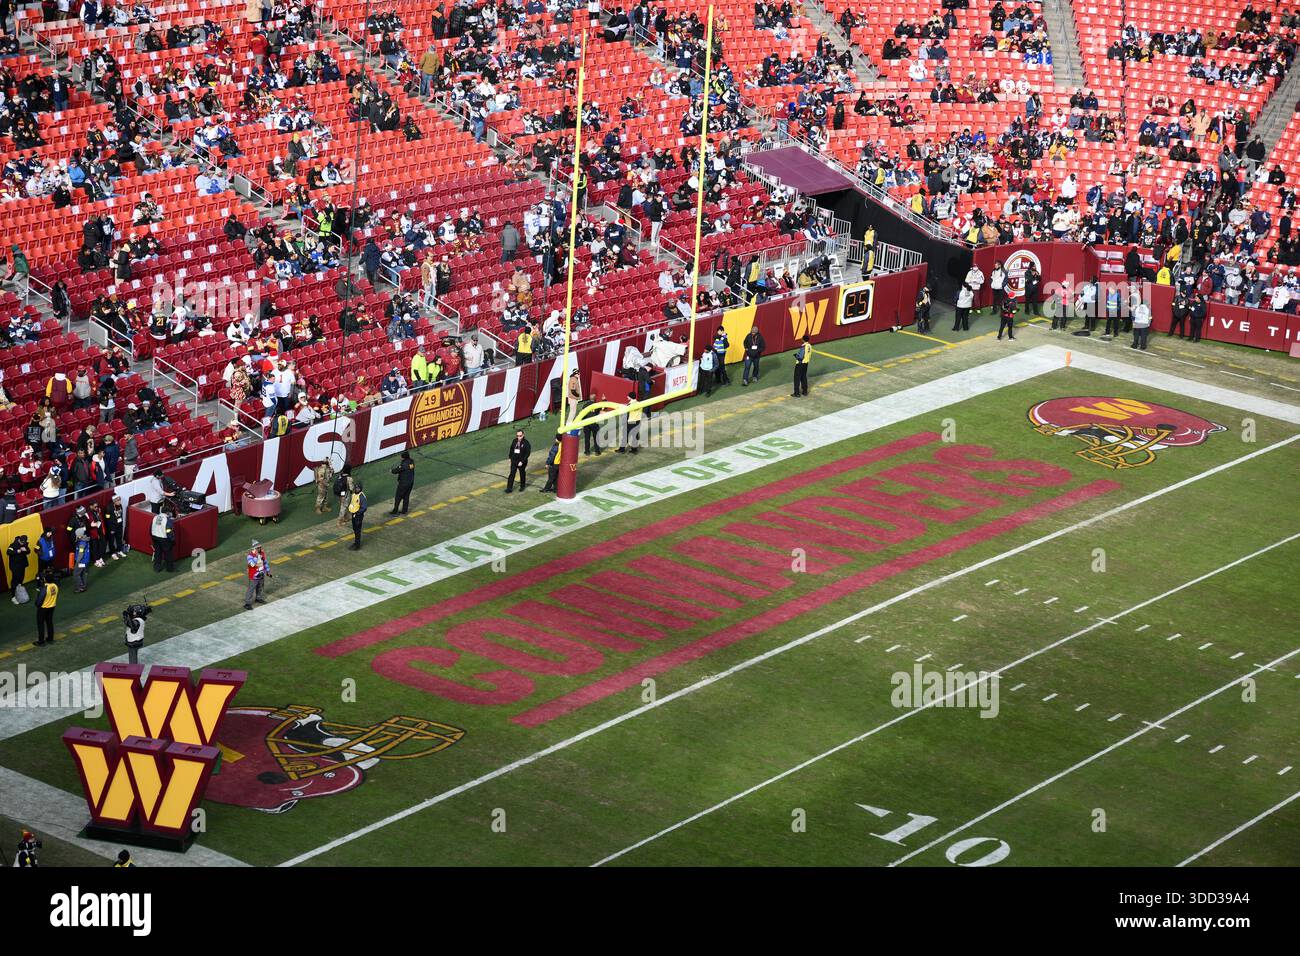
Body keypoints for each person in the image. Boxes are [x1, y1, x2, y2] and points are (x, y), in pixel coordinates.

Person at [243, 540, 270, 609]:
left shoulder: (262, 553)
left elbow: (265, 562)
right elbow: (252, 565)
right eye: (258, 547)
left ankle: (258, 598)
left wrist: (267, 570)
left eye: (260, 547)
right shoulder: (250, 556)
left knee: (260, 587)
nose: (260, 548)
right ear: (254, 549)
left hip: (261, 573)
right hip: (254, 575)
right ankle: (247, 603)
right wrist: (257, 557)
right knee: (251, 589)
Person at [34, 571, 58, 645]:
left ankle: (41, 641)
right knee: (49, 622)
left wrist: (37, 604)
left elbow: (39, 600)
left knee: (40, 624)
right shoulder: (55, 586)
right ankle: (50, 638)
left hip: (43, 608)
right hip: (52, 606)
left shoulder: (45, 588)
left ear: (45, 579)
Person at [390, 450, 415, 514]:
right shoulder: (412, 462)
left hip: (403, 483)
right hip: (410, 482)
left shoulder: (404, 464)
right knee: (406, 496)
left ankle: (395, 510)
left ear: (403, 457)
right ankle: (404, 510)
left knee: (398, 496)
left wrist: (391, 471)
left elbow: (396, 470)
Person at [7, 534, 29, 604]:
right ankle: (13, 597)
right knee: (14, 581)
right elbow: (8, 552)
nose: (23, 544)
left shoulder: (24, 544)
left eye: (24, 543)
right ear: (19, 540)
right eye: (22, 542)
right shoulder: (13, 545)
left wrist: (25, 550)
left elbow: (28, 551)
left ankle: (19, 593)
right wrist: (17, 551)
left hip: (22, 565)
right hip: (15, 566)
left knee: (21, 580)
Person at [347, 481, 367, 550]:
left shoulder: (361, 496)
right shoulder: (354, 494)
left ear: (360, 488)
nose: (356, 489)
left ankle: (357, 545)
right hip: (354, 515)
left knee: (357, 530)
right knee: (355, 529)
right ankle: (356, 543)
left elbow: (364, 507)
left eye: (358, 488)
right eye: (355, 488)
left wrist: (357, 513)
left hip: (358, 516)